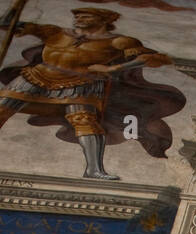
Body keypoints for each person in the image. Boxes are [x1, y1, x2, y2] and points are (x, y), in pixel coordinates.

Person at [0, 7, 170, 179]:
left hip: (82, 80)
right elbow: (9, 25)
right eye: (77, 16)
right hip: (37, 74)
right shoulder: (55, 32)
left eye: (86, 16)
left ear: (104, 20)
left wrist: (115, 67)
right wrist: (12, 11)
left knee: (85, 122)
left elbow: (154, 58)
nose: (79, 18)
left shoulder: (118, 41)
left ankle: (94, 170)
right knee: (2, 107)